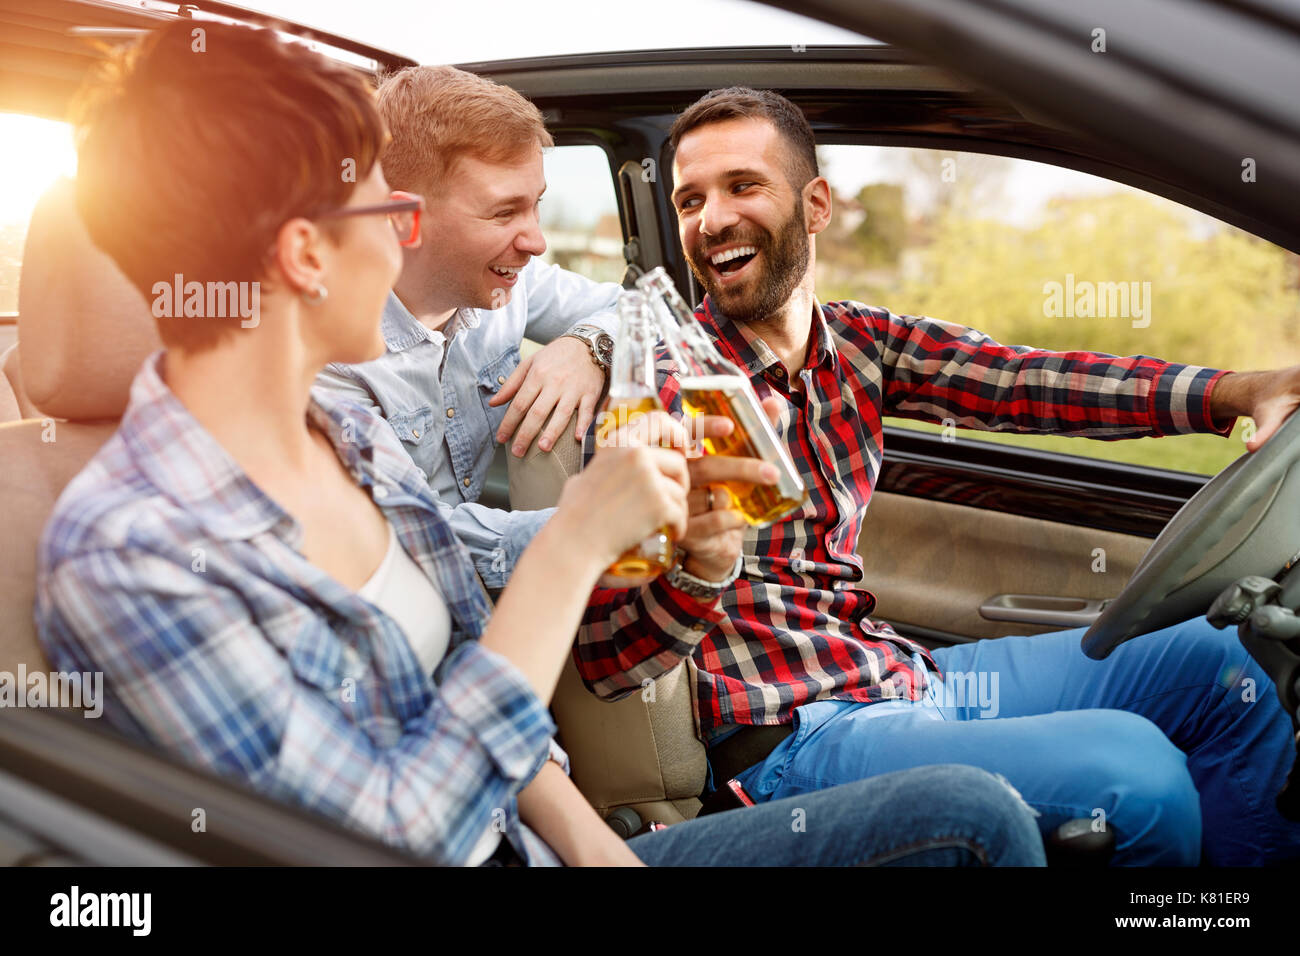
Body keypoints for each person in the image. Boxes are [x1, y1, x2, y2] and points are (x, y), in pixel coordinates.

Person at [34, 22, 1047, 868]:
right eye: (386, 211)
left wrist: (594, 845)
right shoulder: (132, 554)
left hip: (538, 841)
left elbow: (471, 637)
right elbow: (394, 833)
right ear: (305, 253)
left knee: (972, 814)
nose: (402, 240)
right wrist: (572, 543)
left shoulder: (335, 431)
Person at [574, 86, 1300, 866]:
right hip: (800, 732)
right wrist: (701, 573)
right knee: (1136, 777)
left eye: (742, 186)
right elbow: (612, 660)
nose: (711, 219)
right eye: (689, 200)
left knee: (1229, 665)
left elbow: (1029, 380)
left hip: (907, 675)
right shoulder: (660, 396)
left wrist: (1235, 392)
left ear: (816, 205)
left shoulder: (859, 342)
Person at [314, 65, 619, 592]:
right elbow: (419, 533)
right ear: (402, 219)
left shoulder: (507, 283)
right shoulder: (330, 360)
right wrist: (608, 533)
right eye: (505, 213)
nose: (537, 241)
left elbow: (638, 306)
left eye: (537, 204)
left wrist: (589, 346)